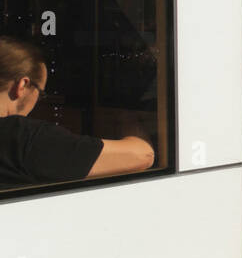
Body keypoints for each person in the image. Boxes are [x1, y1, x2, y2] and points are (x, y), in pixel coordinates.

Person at [0, 36, 155, 191]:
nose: (37, 101)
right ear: (22, 85)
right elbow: (143, 156)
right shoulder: (21, 137)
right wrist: (127, 118)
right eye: (40, 93)